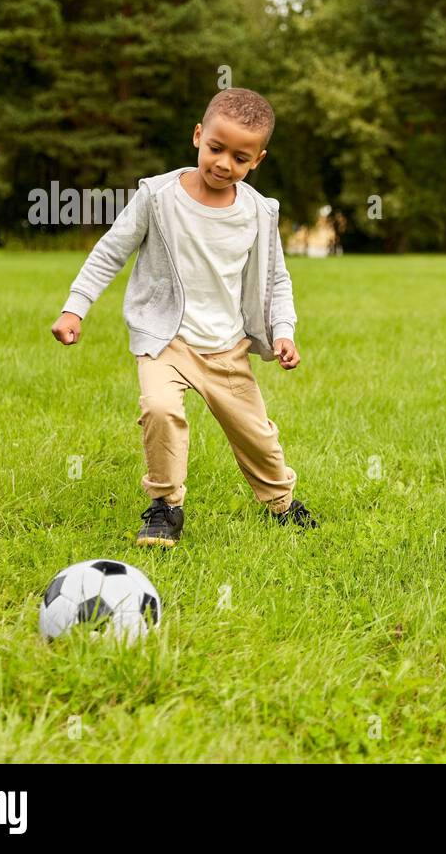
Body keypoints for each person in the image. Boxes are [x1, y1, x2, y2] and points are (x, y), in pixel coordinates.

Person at [51, 88, 317, 547]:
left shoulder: (258, 212)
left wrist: (284, 332)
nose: (223, 164)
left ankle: (280, 502)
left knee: (256, 434)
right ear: (198, 135)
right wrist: (75, 306)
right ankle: (164, 508)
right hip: (166, 338)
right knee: (159, 409)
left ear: (258, 160)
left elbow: (277, 280)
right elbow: (111, 252)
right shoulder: (157, 197)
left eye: (240, 157)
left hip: (227, 347)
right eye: (215, 148)